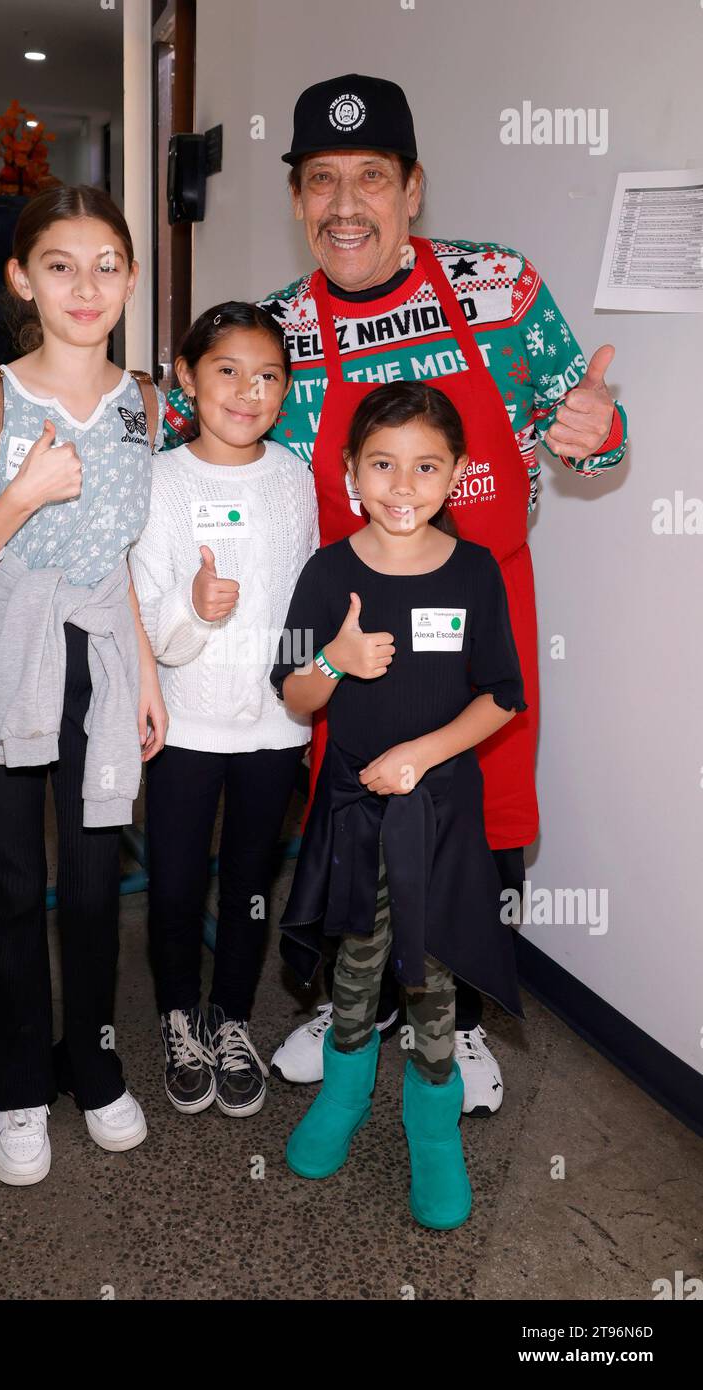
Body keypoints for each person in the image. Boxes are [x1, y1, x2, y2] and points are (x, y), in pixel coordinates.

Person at [164, 73, 628, 1112]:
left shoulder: (495, 289)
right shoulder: (277, 336)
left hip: (479, 624)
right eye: (320, 179)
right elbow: (180, 437)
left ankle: (458, 1026)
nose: (344, 203)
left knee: (486, 825)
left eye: (371, 177)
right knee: (349, 828)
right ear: (295, 198)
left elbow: (587, 422)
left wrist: (603, 429)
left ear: (412, 188)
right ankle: (350, 1011)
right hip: (353, 636)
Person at [0, 185, 168, 1186]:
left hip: (100, 666)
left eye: (107, 264)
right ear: (23, 278)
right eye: (59, 265)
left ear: (130, 279)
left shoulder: (146, 404)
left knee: (98, 882)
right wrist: (20, 494)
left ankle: (96, 1064)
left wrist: (148, 675)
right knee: (19, 884)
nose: (86, 286)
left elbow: (124, 561)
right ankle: (21, 1079)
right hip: (2, 663)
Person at [269, 381, 526, 1230]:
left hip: (440, 811)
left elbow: (502, 697)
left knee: (432, 974)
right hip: (351, 808)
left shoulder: (475, 570)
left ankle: (434, 1130)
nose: (402, 486)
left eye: (425, 467)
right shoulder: (327, 571)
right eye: (382, 465)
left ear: (455, 474)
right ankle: (342, 1101)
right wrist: (337, 660)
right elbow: (298, 695)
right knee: (355, 961)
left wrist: (419, 754)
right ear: (349, 472)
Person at [129, 302, 318, 1117]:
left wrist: (305, 697)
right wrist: (195, 606)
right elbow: (146, 620)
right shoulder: (163, 483)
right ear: (187, 377)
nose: (249, 391)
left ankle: (232, 1016)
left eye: (269, 375)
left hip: (275, 727)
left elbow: (303, 595)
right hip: (184, 725)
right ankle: (179, 1014)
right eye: (228, 371)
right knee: (173, 881)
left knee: (249, 881)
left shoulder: (294, 476)